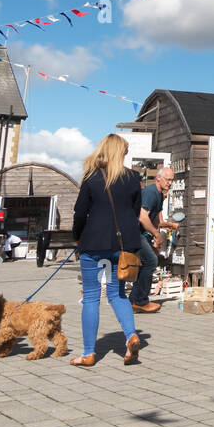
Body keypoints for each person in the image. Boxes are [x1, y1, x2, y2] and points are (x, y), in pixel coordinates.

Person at [70, 134, 143, 366]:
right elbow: (135, 211)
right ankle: (131, 336)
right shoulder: (133, 178)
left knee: (91, 297)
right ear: (121, 153)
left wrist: (77, 237)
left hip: (94, 245)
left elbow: (80, 212)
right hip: (120, 248)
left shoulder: (91, 177)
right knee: (117, 294)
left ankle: (89, 353)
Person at [132, 166, 175, 312]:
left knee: (146, 263)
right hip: (135, 232)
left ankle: (134, 299)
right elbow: (143, 217)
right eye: (167, 179)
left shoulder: (159, 195)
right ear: (158, 178)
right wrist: (156, 235)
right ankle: (141, 300)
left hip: (143, 234)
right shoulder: (150, 193)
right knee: (151, 261)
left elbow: (156, 219)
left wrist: (156, 238)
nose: (170, 183)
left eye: (172, 180)